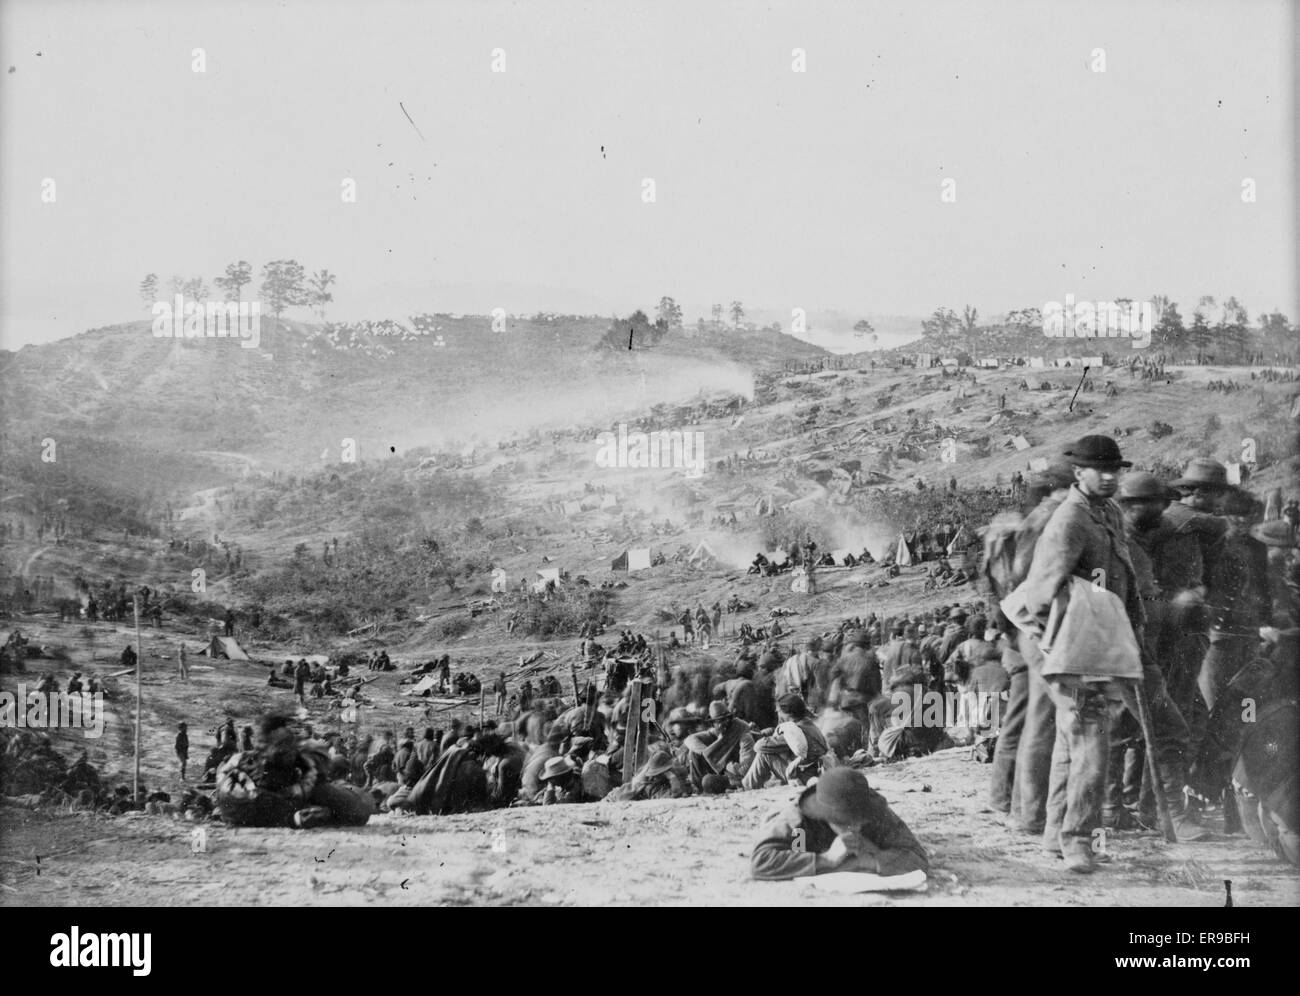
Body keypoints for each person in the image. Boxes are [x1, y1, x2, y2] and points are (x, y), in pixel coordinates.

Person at [1021, 435, 1145, 873]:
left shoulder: (1106, 511)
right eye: (1101, 470)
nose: (1111, 477)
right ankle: (1078, 839)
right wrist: (1054, 642)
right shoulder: (1069, 521)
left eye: (1115, 470)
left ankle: (1057, 835)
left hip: (1102, 646)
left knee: (1071, 747)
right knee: (1093, 749)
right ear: (1079, 473)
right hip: (1076, 653)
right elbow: (1038, 592)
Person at [750, 768, 929, 880]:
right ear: (824, 815)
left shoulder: (876, 813)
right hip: (803, 840)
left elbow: (916, 856)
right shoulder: (800, 823)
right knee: (799, 847)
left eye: (859, 820)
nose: (855, 828)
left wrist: (868, 860)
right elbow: (762, 861)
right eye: (844, 822)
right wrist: (825, 859)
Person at [743, 693, 829, 789]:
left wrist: (766, 737)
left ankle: (747, 786)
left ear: (788, 713)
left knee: (764, 754)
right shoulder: (809, 724)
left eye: (779, 711)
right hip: (814, 771)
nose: (777, 713)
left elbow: (758, 746)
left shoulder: (795, 731)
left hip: (803, 775)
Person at [683, 701, 756, 790]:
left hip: (737, 778)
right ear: (713, 723)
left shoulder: (743, 734)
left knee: (708, 781)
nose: (721, 724)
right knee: (693, 753)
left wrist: (727, 767)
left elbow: (745, 769)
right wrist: (707, 752)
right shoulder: (717, 733)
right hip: (725, 773)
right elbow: (690, 739)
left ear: (729, 719)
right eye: (717, 721)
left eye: (723, 719)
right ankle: (699, 788)